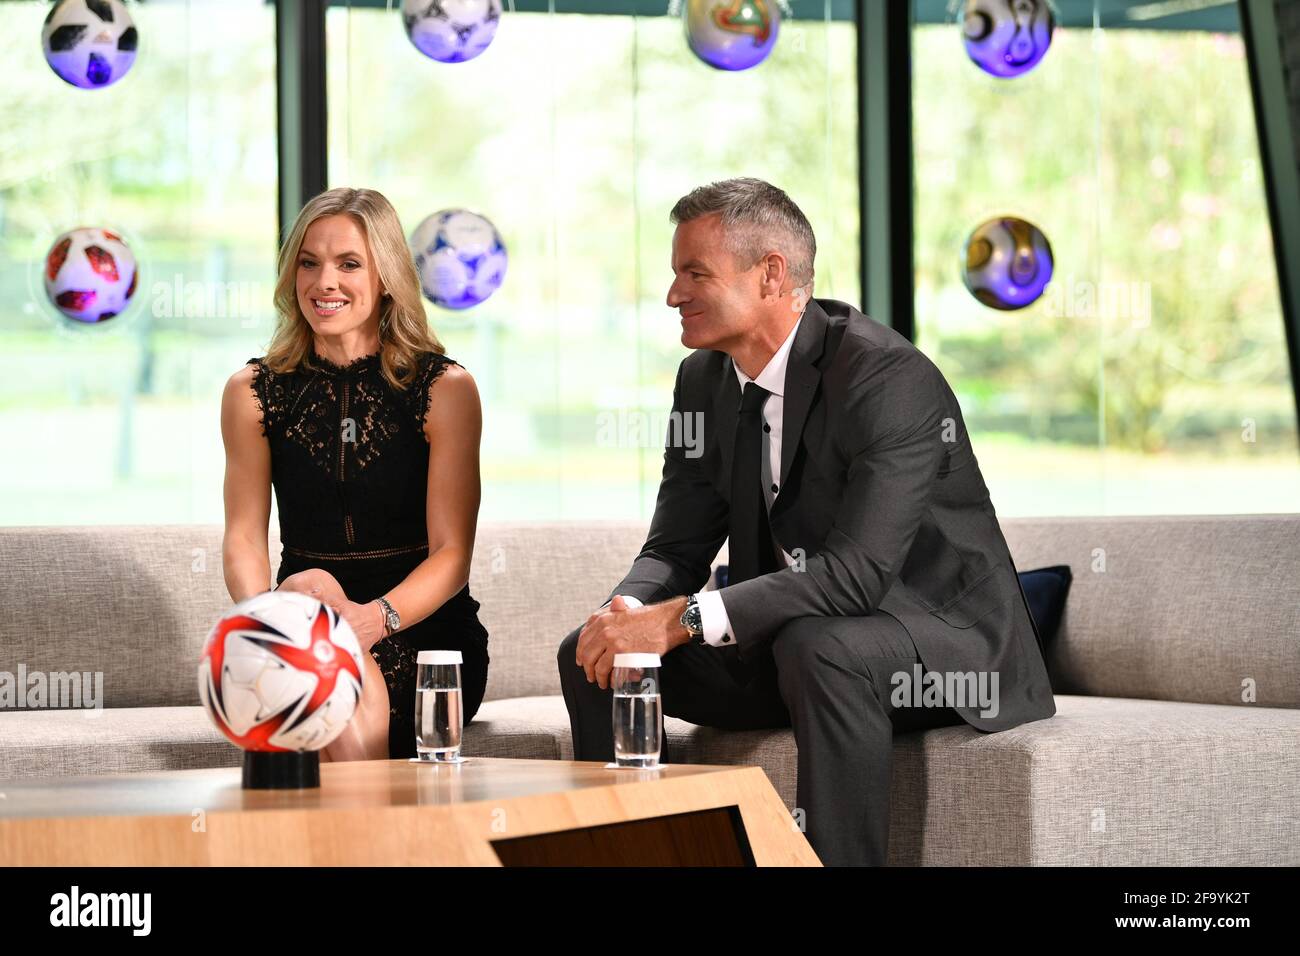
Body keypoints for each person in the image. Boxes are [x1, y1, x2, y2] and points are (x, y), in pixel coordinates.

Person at [557, 177, 1056, 866]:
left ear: (770, 275)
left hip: (938, 646)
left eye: (694, 273)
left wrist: (682, 620)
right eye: (674, 274)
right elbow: (676, 544)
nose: (673, 294)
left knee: (820, 648)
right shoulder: (703, 381)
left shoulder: (886, 379)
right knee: (593, 655)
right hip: (796, 641)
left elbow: (856, 577)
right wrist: (629, 610)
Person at [221, 186, 489, 761]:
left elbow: (451, 554)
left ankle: (339, 836)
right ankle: (366, 835)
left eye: (349, 264)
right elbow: (244, 536)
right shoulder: (251, 393)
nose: (325, 283)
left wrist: (371, 622)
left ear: (387, 275)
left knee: (319, 662)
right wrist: (267, 622)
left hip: (422, 632)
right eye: (309, 263)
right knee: (309, 589)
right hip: (303, 621)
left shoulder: (445, 390)